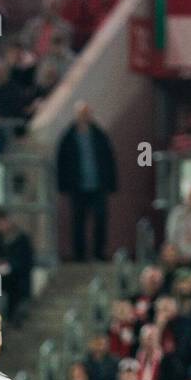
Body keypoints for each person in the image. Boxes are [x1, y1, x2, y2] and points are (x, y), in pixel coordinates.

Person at [56, 101, 117, 261]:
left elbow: (108, 159)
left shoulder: (99, 135)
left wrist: (111, 183)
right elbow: (62, 162)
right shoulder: (69, 137)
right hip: (77, 186)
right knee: (78, 221)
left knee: (100, 219)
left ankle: (99, 252)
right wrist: (63, 186)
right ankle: (79, 255)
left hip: (98, 185)